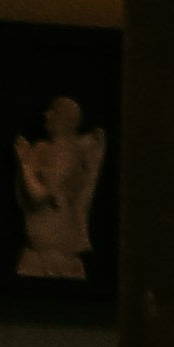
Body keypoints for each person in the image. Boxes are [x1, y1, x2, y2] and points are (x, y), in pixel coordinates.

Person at [15, 94, 107, 281]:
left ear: (67, 120)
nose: (47, 115)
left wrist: (26, 164)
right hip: (37, 252)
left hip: (56, 256)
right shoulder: (42, 148)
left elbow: (39, 195)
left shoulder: (68, 154)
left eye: (54, 112)